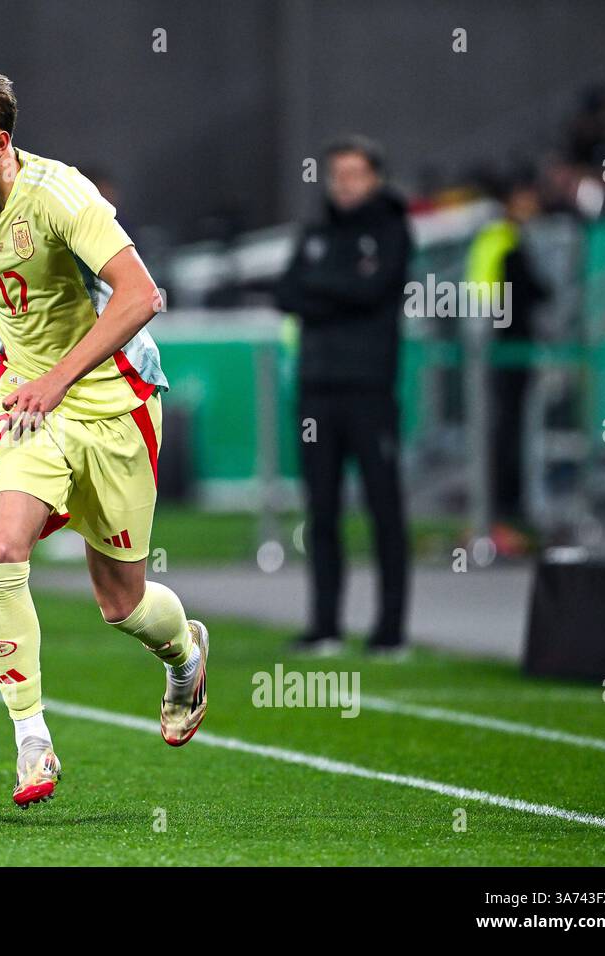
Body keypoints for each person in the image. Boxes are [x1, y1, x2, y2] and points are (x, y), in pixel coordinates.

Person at [0, 66, 207, 807]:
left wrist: (60, 381)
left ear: (0, 142)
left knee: (123, 606)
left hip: (116, 408)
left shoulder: (62, 196)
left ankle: (184, 654)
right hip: (26, 408)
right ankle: (31, 741)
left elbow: (143, 296)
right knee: (1, 547)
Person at [275, 135, 411, 656]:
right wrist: (339, 287)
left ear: (374, 177)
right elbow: (287, 292)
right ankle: (325, 625)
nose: (345, 184)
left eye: (355, 173)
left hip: (370, 390)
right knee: (322, 509)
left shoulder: (391, 228)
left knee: (384, 507)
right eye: (337, 174)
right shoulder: (316, 232)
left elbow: (373, 292)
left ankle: (391, 630)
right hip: (317, 390)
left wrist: (321, 289)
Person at [466, 172, 549, 550]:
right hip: (504, 348)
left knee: (505, 428)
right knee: (507, 430)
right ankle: (504, 508)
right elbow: (529, 291)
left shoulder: (497, 239)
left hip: (497, 347)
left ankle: (501, 507)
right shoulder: (506, 242)